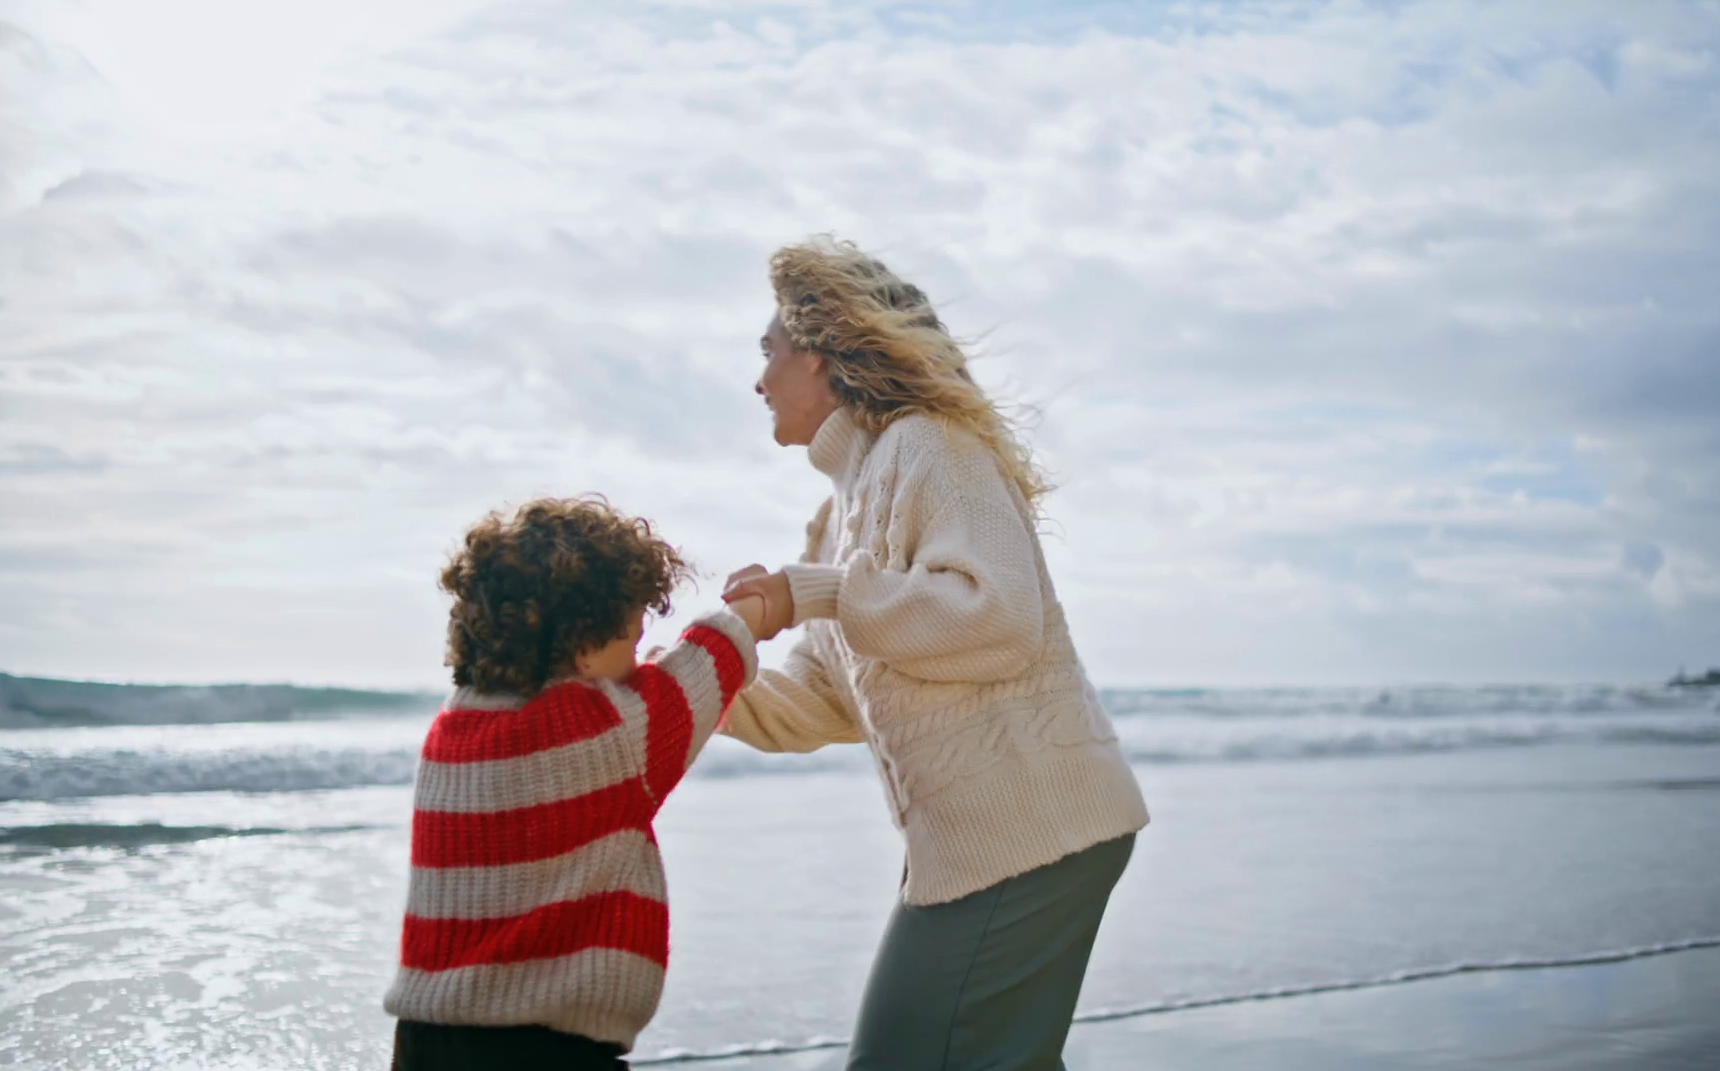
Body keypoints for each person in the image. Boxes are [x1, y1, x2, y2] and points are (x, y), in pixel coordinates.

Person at [719, 237, 1151, 1070]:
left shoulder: (930, 445)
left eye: (768, 351)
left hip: (1031, 828)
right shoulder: (835, 514)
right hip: (984, 844)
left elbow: (997, 618)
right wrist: (689, 690)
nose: (758, 379)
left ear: (819, 353)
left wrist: (814, 592)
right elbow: (830, 696)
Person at [383, 496, 783, 1070]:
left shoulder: (452, 730)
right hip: (547, 1052)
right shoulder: (610, 734)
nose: (638, 663)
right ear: (585, 646)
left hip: (425, 1042)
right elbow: (708, 662)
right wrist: (756, 608)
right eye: (632, 640)